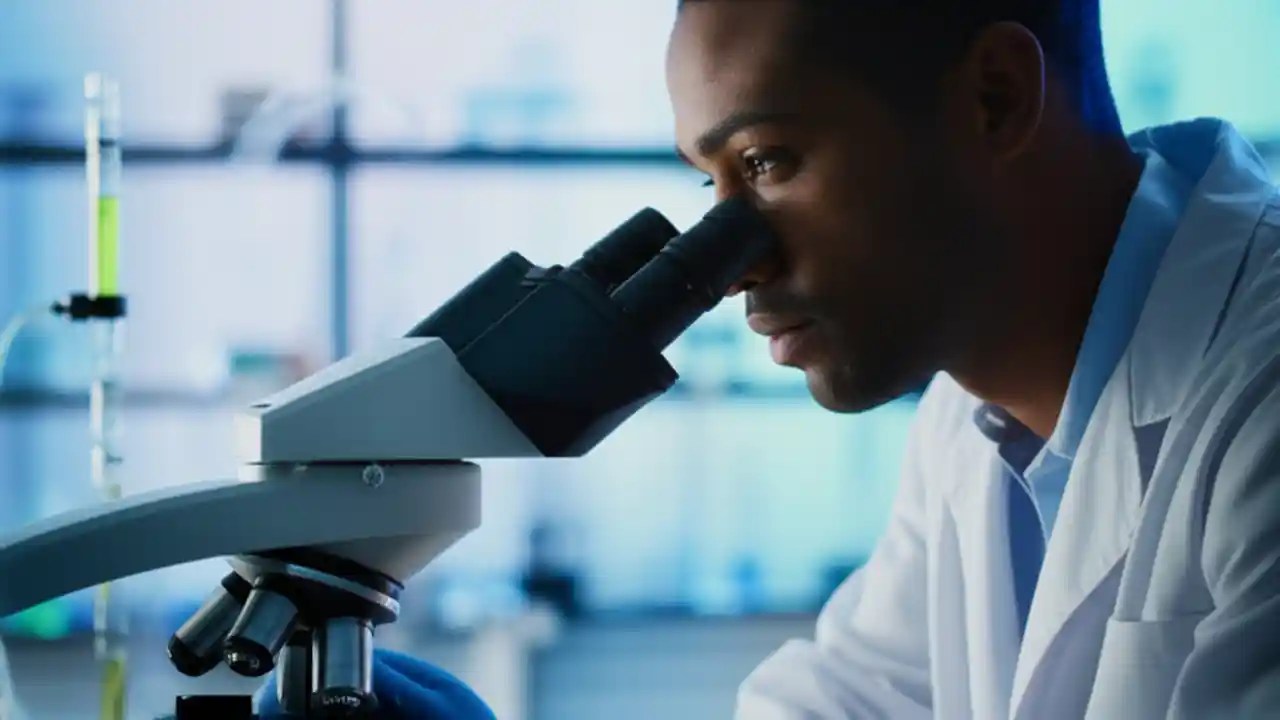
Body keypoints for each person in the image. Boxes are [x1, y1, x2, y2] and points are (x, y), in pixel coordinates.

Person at [264, 0, 1280, 717]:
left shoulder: (1259, 387)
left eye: (765, 162)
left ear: (995, 97)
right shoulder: (972, 416)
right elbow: (846, 705)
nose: (725, 267)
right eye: (708, 184)